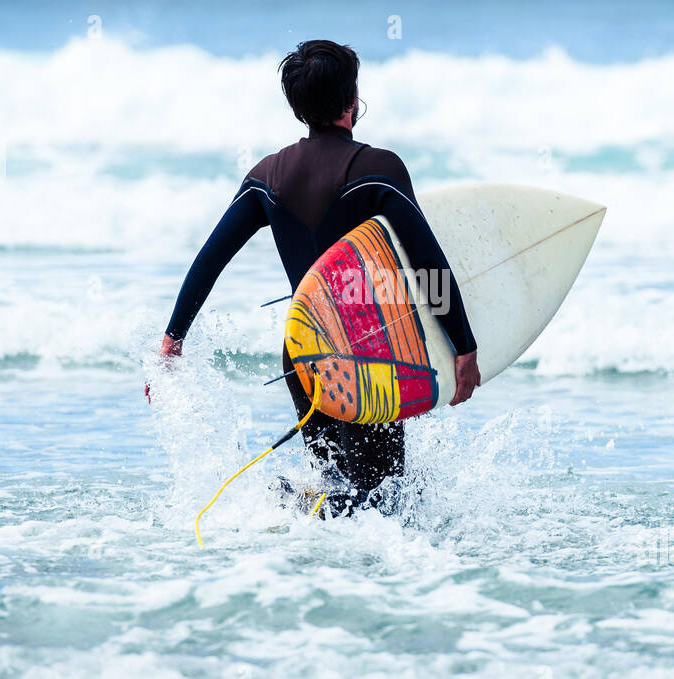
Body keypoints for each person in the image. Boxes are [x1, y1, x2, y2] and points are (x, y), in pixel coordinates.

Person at [156, 40, 479, 514]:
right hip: (368, 350)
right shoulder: (379, 169)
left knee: (336, 488)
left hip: (302, 350)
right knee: (382, 505)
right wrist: (464, 345)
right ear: (352, 101)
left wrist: (172, 338)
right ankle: (284, 506)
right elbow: (428, 263)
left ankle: (293, 529)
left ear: (298, 108)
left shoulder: (266, 175)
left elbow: (211, 258)